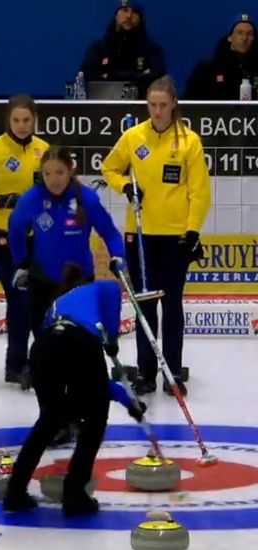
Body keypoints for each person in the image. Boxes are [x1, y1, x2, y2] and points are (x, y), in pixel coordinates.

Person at [2, 266, 147, 516]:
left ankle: (15, 491)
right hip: (78, 344)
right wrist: (111, 342)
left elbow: (94, 382)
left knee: (49, 421)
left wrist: (127, 400)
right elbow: (99, 381)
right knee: (95, 420)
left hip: (43, 348)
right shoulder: (105, 287)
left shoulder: (59, 303)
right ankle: (75, 493)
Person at [101, 75, 211, 397]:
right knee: (144, 306)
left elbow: (199, 191)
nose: (158, 111)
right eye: (153, 105)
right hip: (140, 235)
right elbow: (110, 168)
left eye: (163, 105)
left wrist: (192, 229)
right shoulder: (134, 137)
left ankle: (172, 372)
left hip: (175, 236)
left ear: (174, 104)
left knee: (172, 305)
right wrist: (125, 186)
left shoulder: (189, 141)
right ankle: (146, 372)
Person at [8, 147, 125, 345]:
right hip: (42, 283)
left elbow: (109, 232)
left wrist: (119, 257)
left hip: (79, 281)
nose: (53, 179)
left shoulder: (87, 198)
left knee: (82, 341)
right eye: (47, 174)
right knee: (45, 343)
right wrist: (21, 262)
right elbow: (15, 230)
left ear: (70, 171)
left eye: (59, 173)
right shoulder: (31, 199)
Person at [0, 94, 49, 388]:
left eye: (27, 120)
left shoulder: (44, 150)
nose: (22, 125)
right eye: (16, 120)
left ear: (34, 120)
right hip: (2, 236)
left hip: (37, 238)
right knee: (18, 299)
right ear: (8, 120)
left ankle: (41, 360)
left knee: (40, 300)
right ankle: (16, 365)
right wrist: (2, 200)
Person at [79, 0, 166, 99]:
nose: (129, 16)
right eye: (125, 10)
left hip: (142, 106)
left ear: (140, 18)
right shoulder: (99, 48)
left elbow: (158, 77)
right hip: (104, 106)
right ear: (116, 15)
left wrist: (109, 76)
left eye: (135, 12)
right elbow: (87, 74)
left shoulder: (151, 49)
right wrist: (139, 76)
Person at [185, 13, 257, 100]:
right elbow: (190, 99)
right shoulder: (209, 67)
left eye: (249, 34)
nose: (245, 38)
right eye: (240, 33)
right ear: (230, 37)